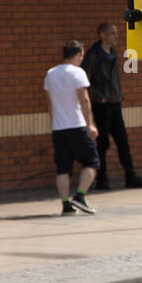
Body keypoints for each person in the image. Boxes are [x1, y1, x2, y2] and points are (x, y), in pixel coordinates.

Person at [82, 22, 142, 189]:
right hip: (102, 106)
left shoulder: (112, 53)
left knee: (122, 141)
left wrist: (119, 95)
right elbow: (84, 82)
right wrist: (100, 97)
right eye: (112, 33)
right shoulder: (93, 55)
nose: (116, 36)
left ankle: (130, 175)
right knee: (102, 143)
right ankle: (102, 180)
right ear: (102, 35)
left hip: (115, 104)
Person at [44, 40, 100, 215]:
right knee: (92, 161)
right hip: (77, 125)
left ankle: (66, 204)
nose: (82, 58)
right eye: (82, 55)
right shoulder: (78, 73)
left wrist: (54, 124)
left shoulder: (50, 74)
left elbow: (50, 103)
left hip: (59, 129)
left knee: (63, 168)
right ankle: (80, 196)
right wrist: (90, 124)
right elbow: (84, 100)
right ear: (77, 54)